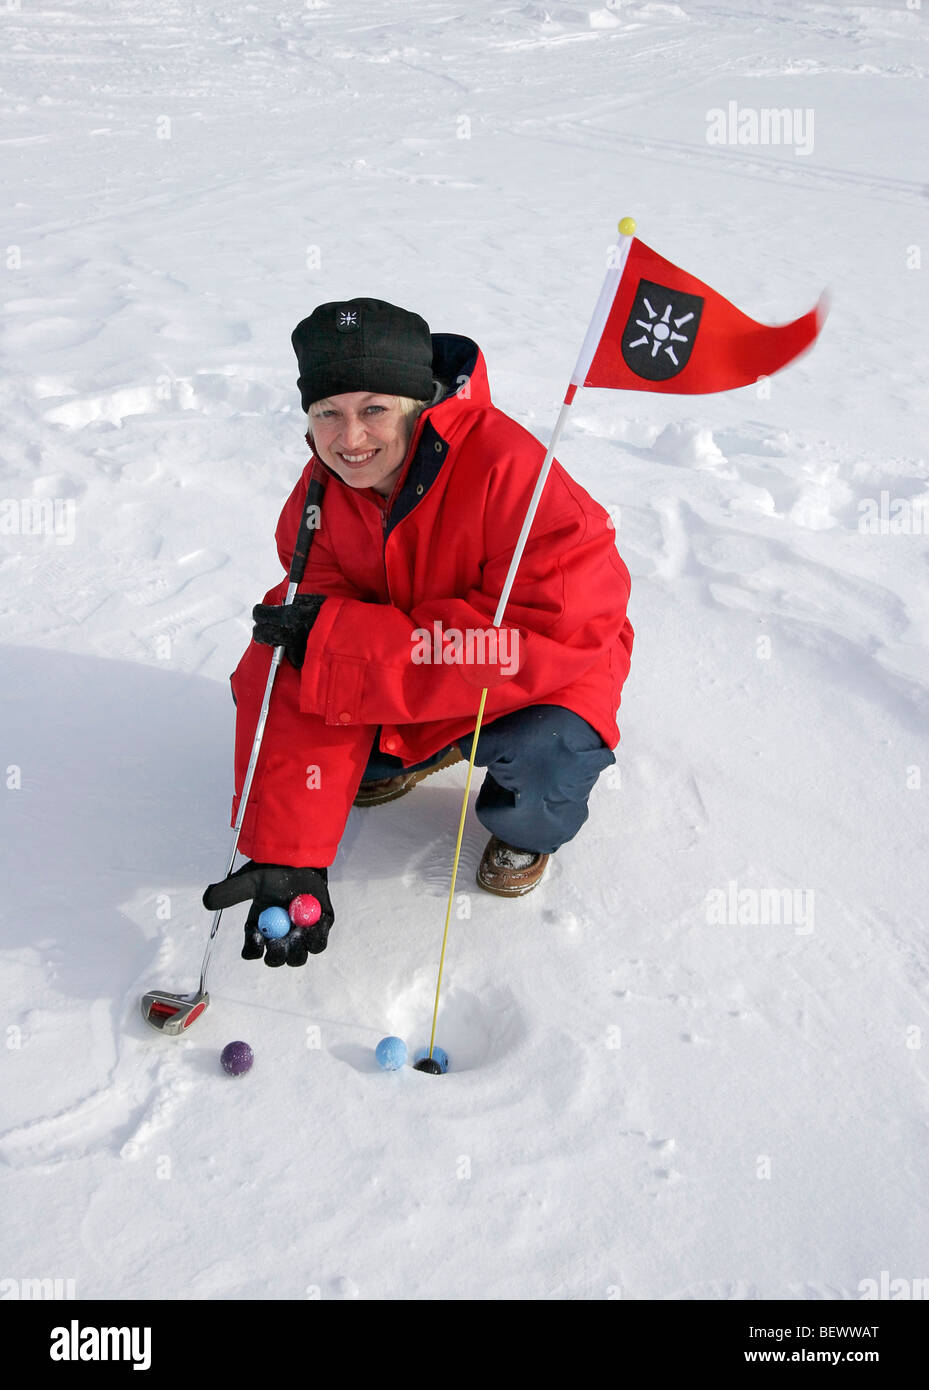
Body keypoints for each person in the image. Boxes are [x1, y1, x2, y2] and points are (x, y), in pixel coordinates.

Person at [203, 297, 633, 964]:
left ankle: (526, 830)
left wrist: (344, 645)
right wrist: (290, 856)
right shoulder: (318, 501)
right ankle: (412, 752)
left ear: (419, 406)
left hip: (539, 681)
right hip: (418, 679)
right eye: (327, 414)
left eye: (373, 409)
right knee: (293, 662)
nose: (350, 439)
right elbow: (295, 667)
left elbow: (536, 640)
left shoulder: (513, 474)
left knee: (550, 752)